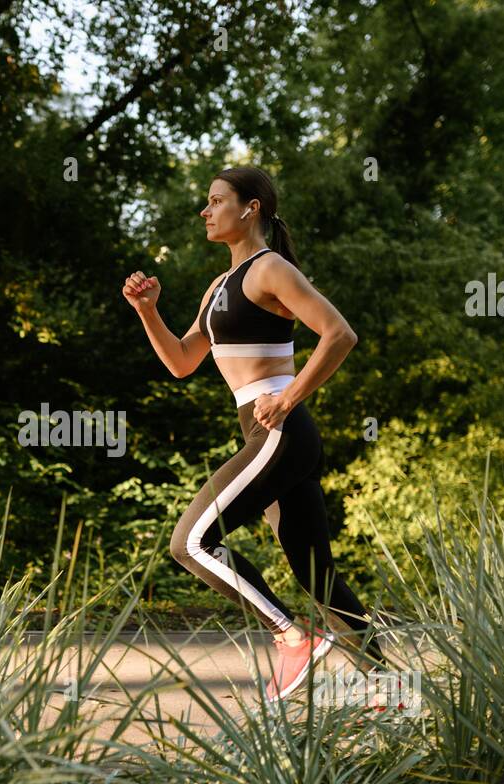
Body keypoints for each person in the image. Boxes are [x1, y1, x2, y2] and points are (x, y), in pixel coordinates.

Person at [122, 165, 386, 702]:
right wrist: (148, 312)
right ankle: (393, 691)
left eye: (217, 200)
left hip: (280, 429)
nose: (205, 210)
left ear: (250, 208)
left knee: (190, 542)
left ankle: (291, 637)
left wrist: (288, 398)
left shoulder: (270, 269)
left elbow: (339, 334)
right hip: (267, 432)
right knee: (317, 575)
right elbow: (181, 361)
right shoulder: (218, 287)